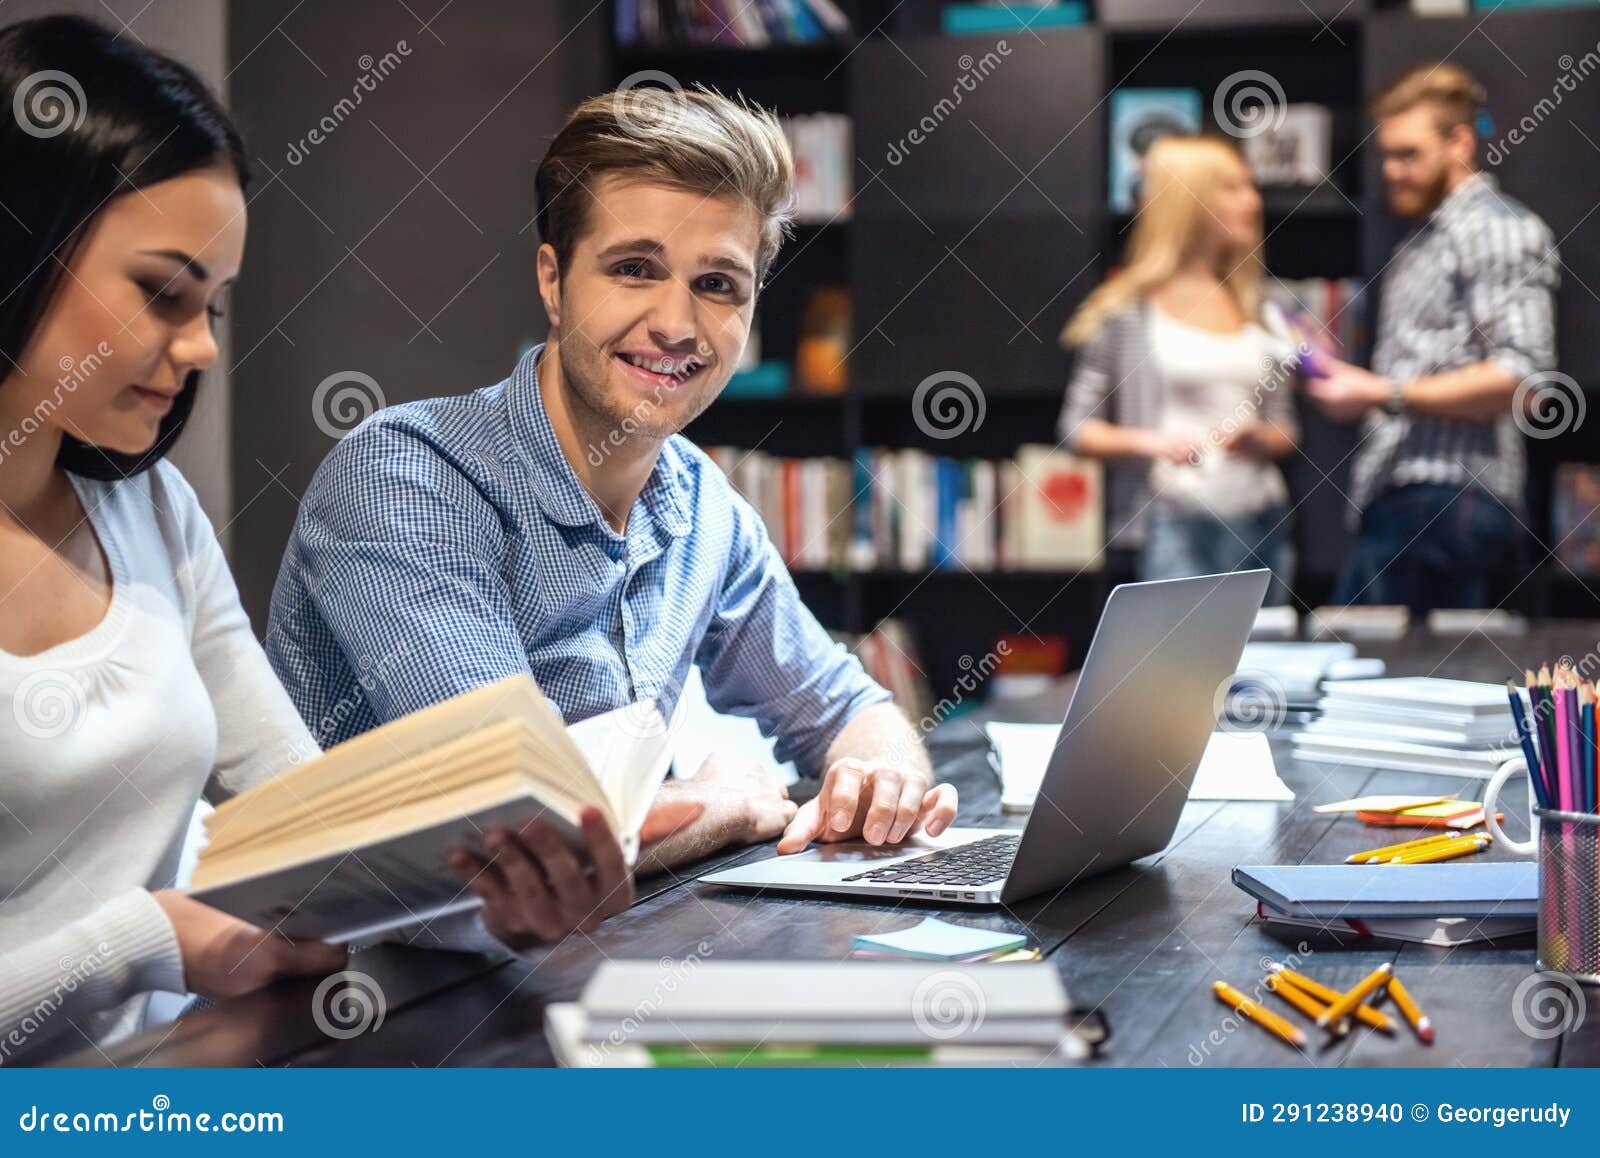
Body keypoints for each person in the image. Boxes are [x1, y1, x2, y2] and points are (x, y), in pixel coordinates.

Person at [0, 16, 693, 1063]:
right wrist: (144, 939)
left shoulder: (154, 517)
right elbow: (161, 937)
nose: (197, 348)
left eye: (216, 307)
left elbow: (313, 833)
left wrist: (499, 902)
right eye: (161, 293)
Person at [265, 88, 959, 918]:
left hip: (584, 962)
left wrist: (880, 779)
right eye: (635, 269)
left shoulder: (703, 500)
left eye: (718, 283)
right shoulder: (406, 477)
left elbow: (851, 708)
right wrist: (722, 805)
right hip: (365, 1001)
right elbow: (519, 835)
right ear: (553, 282)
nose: (676, 322)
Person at [1305, 62, 1559, 613]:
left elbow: (1527, 380)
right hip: (1405, 503)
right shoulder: (1421, 240)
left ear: (1459, 143)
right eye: (1387, 155)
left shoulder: (1495, 228)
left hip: (1448, 503)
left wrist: (1381, 393)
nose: (1392, 170)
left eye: (1409, 154)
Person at [1057, 135, 1299, 601]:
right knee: (1178, 671)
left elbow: (1286, 429)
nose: (1252, 201)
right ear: (1188, 203)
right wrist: (1151, 443)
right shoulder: (1126, 315)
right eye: (1233, 188)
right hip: (1172, 523)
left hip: (1260, 523)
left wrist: (1259, 439)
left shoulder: (1262, 309)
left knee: (1264, 669)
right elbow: (1076, 428)